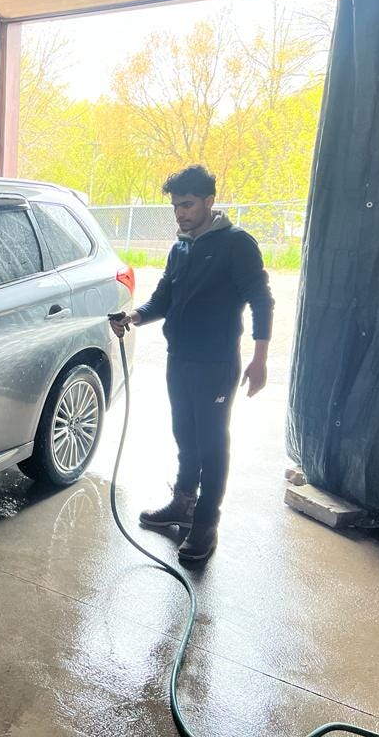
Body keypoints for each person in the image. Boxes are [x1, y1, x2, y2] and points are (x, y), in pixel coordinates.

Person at [110, 165, 274, 562]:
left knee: (212, 443)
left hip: (216, 363)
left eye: (187, 205)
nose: (180, 214)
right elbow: (164, 297)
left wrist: (260, 358)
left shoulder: (237, 244)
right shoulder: (180, 247)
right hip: (179, 359)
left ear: (208, 201)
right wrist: (134, 316)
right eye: (175, 207)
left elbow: (261, 300)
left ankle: (205, 523)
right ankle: (183, 503)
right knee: (185, 434)